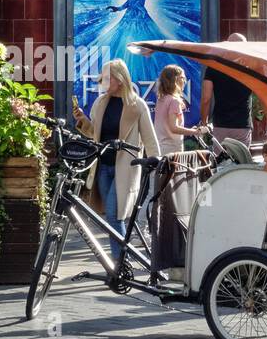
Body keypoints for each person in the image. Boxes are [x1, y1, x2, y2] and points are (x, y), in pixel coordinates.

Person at [74, 59, 160, 261]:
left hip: (126, 169)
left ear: (119, 79)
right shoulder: (100, 102)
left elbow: (150, 140)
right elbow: (95, 133)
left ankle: (120, 263)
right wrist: (82, 121)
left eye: (107, 78)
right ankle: (123, 261)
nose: (103, 82)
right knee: (113, 216)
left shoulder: (137, 105)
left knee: (115, 215)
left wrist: (157, 163)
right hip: (103, 167)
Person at [200, 33, 253, 146]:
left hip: (221, 124)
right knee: (242, 162)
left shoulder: (214, 67)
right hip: (242, 124)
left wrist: (204, 122)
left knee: (221, 161)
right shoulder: (251, 67)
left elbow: (206, 99)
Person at [152, 64, 205, 156]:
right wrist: (196, 132)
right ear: (175, 80)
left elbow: (169, 126)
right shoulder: (174, 101)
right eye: (182, 78)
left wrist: (191, 131)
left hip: (160, 148)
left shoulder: (161, 99)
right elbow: (174, 128)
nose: (184, 81)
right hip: (171, 151)